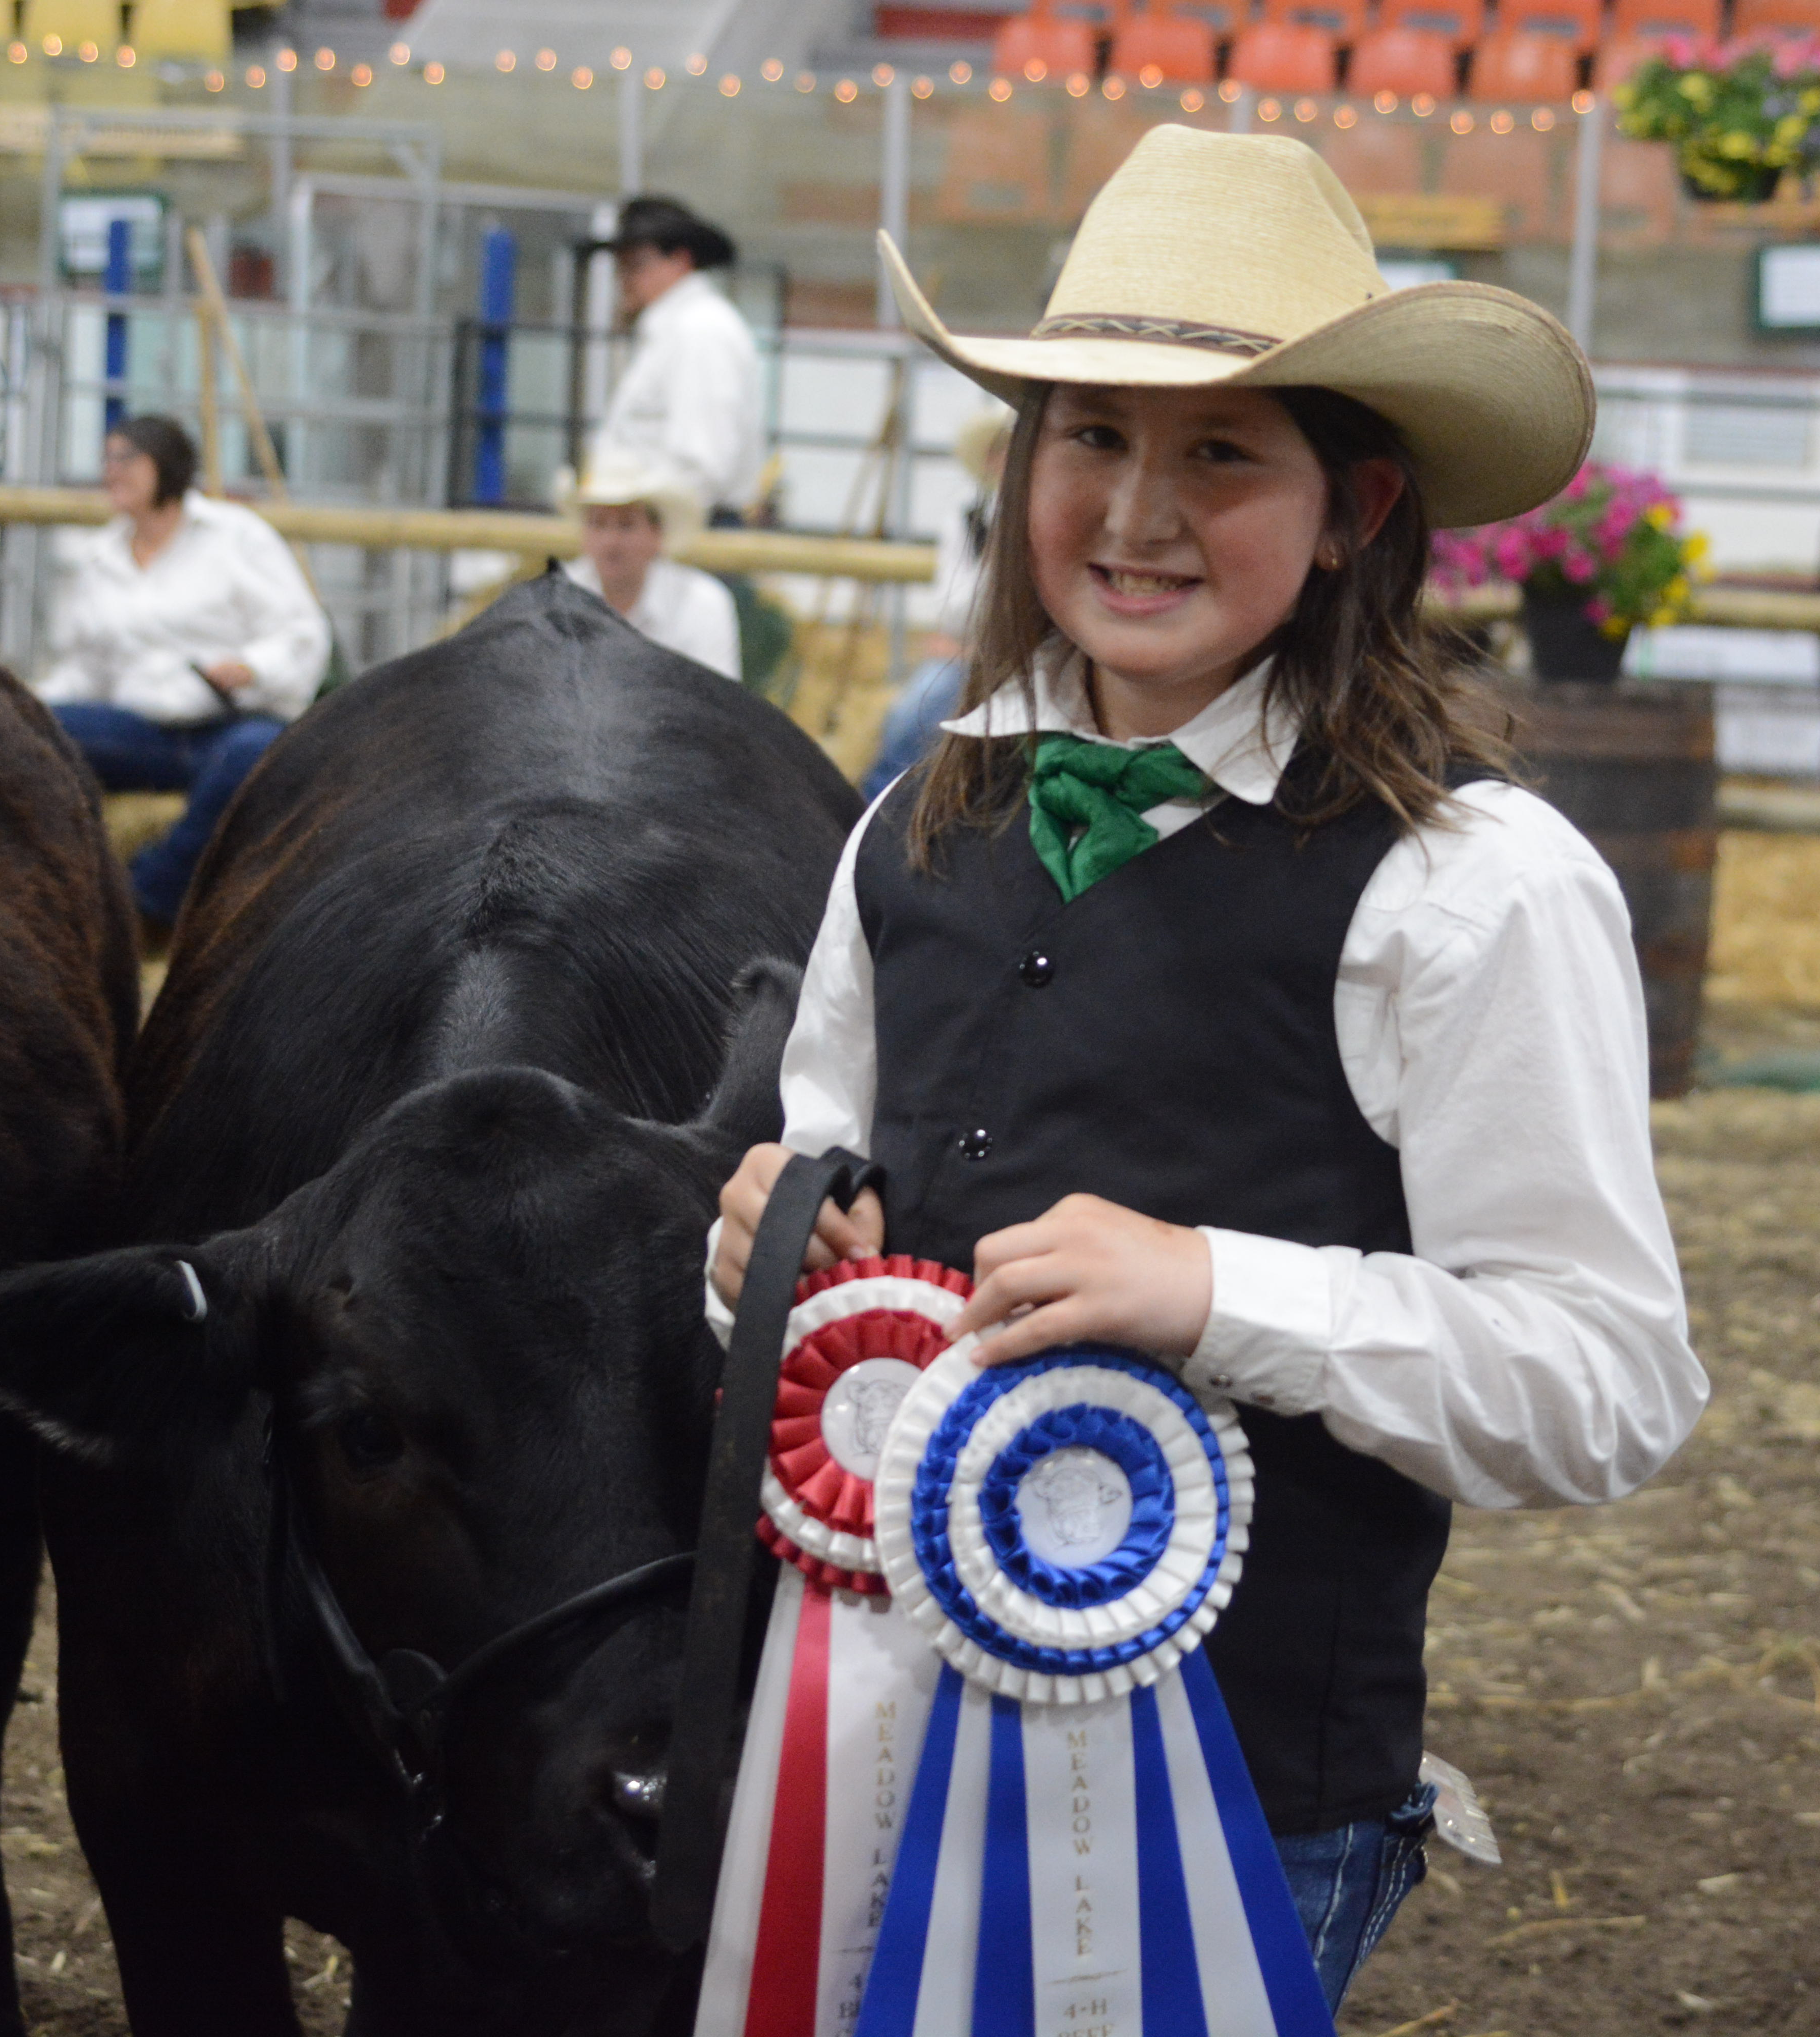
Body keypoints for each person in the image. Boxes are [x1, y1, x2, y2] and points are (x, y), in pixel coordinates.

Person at [707, 126, 1704, 2009]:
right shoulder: (906, 822)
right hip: (848, 1751)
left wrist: (1218, 1292)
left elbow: (1609, 1377)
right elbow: (830, 1178)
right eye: (1090, 435)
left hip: (1234, 1806)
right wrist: (768, 1253)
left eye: (1221, 452)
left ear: (1354, 505)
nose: (1136, 510)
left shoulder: (1467, 886)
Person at [36, 414, 329, 931]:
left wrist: (252, 667)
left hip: (231, 723)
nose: (112, 471)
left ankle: (143, 902)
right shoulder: (99, 557)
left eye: (127, 458)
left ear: (165, 464)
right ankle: (43, 894)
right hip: (140, 730)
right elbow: (85, 669)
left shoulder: (236, 536)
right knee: (36, 730)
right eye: (107, 459)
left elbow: (303, 633)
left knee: (254, 756)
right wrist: (25, 703)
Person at [864, 404, 1010, 800]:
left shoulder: (1012, 518)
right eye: (1000, 450)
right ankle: (880, 805)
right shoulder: (968, 518)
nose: (1006, 461)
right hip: (967, 651)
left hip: (1010, 657)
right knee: (910, 718)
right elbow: (956, 604)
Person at [595, 195, 764, 524]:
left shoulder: (699, 331)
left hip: (683, 532)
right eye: (621, 267)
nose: (624, 279)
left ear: (681, 261)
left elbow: (701, 466)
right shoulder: (679, 330)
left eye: (636, 265)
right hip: (658, 528)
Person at [560, 449, 741, 680]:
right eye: (598, 524)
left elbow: (720, 708)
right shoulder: (554, 600)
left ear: (658, 534)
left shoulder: (703, 603)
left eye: (626, 526)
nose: (610, 542)